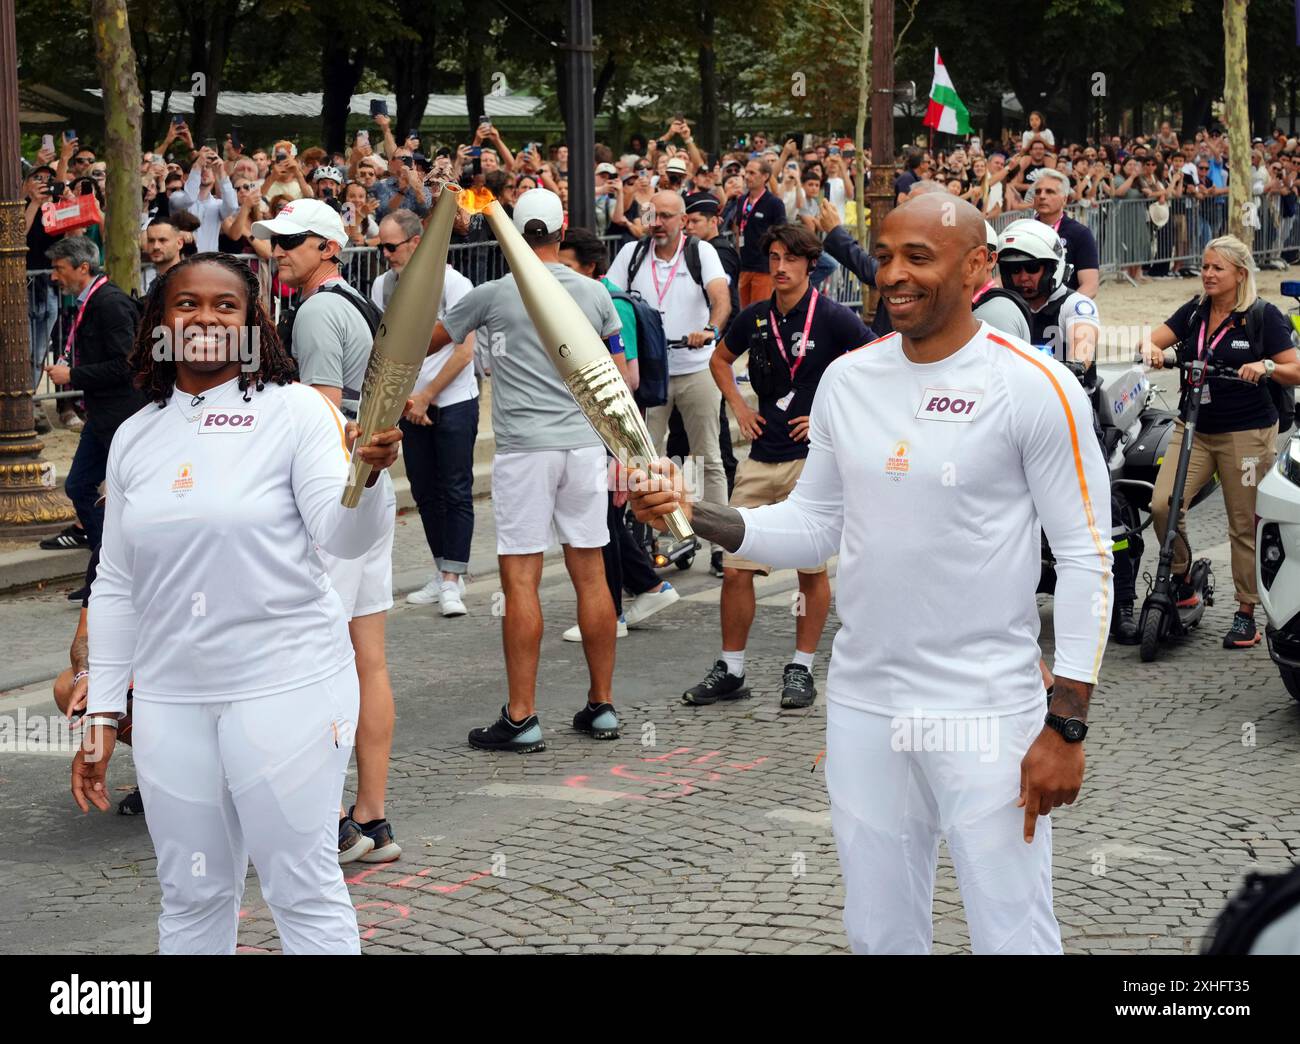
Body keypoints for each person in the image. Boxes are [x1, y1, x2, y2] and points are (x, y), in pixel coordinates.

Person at [628, 193, 1112, 955]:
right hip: (864, 703)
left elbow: (1086, 556)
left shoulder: (1033, 386)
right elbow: (816, 524)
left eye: (919, 257)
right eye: (884, 256)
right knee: (877, 932)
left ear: (978, 265)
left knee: (1011, 931)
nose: (894, 275)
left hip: (984, 707)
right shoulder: (850, 381)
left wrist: (1067, 723)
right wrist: (697, 512)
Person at [71, 251, 405, 954]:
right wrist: (103, 711)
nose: (205, 317)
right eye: (186, 303)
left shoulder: (295, 415)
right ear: (159, 322)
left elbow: (342, 537)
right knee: (192, 894)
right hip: (170, 701)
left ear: (253, 322)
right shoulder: (134, 436)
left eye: (226, 305)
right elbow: (117, 584)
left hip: (285, 687)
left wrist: (368, 481)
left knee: (300, 886)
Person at [428, 189, 624, 751]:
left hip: (523, 450)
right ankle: (602, 704)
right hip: (584, 445)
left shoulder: (492, 295)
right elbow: (620, 376)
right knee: (591, 574)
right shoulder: (593, 292)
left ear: (511, 233)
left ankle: (522, 715)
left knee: (521, 581)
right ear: (563, 232)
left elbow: (428, 340)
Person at [252, 199, 401, 864]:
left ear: (328, 246)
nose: (278, 250)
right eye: (274, 240)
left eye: (292, 241)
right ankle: (372, 818)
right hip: (369, 481)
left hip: (336, 487)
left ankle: (334, 821)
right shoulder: (356, 303)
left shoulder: (314, 310)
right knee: (367, 657)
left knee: (319, 657)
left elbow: (316, 410)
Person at [697, 224, 873, 709]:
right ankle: (731, 668)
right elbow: (719, 360)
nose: (779, 267)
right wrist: (739, 405)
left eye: (789, 259)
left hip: (810, 463)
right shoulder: (755, 317)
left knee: (809, 571)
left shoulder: (835, 318)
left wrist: (827, 417)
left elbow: (878, 363)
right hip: (760, 456)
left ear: (809, 266)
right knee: (735, 567)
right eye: (773, 257)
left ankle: (801, 666)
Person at [1142, 236, 1300, 649]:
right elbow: (1153, 337)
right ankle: (1180, 577)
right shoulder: (1194, 311)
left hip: (1246, 433)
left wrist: (1264, 365)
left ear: (1240, 274)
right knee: (1163, 504)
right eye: (1205, 267)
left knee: (1243, 524)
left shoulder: (1263, 317)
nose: (1208, 274)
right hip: (1193, 425)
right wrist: (1153, 351)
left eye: (1217, 269)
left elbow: (1294, 369)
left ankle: (1246, 611)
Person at [556, 226, 681, 640]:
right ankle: (649, 585)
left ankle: (610, 613)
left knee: (602, 519)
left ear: (590, 267)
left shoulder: (610, 304)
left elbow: (626, 377)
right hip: (597, 430)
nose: (557, 271)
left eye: (567, 264)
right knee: (606, 518)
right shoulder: (585, 298)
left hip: (612, 432)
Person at [607, 191, 732, 577]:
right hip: (650, 374)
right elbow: (607, 298)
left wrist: (710, 329)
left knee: (707, 457)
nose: (657, 223)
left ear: (683, 220)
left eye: (665, 216)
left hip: (696, 368)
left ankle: (721, 545)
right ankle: (657, 537)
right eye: (652, 216)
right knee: (644, 463)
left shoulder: (701, 252)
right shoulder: (632, 255)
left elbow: (721, 298)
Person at [373, 209, 479, 617]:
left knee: (455, 488)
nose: (384, 254)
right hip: (408, 403)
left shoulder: (454, 283)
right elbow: (384, 345)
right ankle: (441, 570)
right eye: (380, 246)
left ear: (416, 243)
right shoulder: (384, 285)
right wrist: (403, 399)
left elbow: (465, 350)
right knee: (424, 491)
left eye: (390, 246)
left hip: (452, 399)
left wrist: (429, 394)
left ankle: (455, 578)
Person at [41, 238, 145, 555]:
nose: (54, 277)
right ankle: (103, 566)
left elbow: (125, 365)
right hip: (102, 416)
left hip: (120, 417)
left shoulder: (109, 303)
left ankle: (108, 567)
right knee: (79, 485)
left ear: (82, 267)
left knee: (108, 490)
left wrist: (72, 375)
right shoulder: (94, 301)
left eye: (59, 269)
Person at [1030, 168, 1099, 298]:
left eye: (1050, 192)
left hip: (1064, 308)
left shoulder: (1080, 233)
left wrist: (1064, 308)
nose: (1042, 196)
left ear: (1064, 199)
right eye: (1038, 192)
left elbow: (1090, 285)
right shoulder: (1024, 231)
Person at [728, 158, 787, 308]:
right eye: (746, 172)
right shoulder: (742, 200)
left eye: (752, 173)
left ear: (765, 176)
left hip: (763, 267)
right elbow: (737, 227)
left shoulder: (774, 203)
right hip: (744, 265)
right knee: (744, 312)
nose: (747, 176)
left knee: (759, 312)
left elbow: (782, 233)